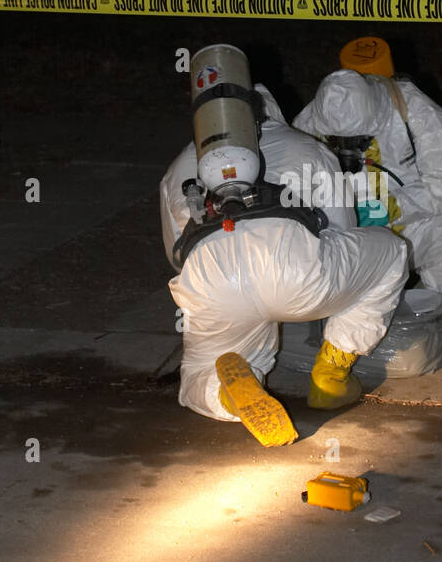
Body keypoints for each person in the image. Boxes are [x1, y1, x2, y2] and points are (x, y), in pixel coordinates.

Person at [161, 60, 408, 448]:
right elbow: (342, 229)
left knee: (199, 374)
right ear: (270, 110)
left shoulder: (179, 168)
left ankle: (227, 396)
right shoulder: (305, 147)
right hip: (296, 275)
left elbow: (176, 253)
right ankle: (331, 373)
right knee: (392, 251)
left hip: (211, 282)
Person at [293, 37, 442, 297]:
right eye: (338, 141)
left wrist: (391, 208)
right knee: (304, 275)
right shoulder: (312, 119)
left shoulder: (413, 110)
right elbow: (295, 180)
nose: (348, 148)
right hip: (350, 227)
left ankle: (424, 304)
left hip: (420, 219)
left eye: (358, 140)